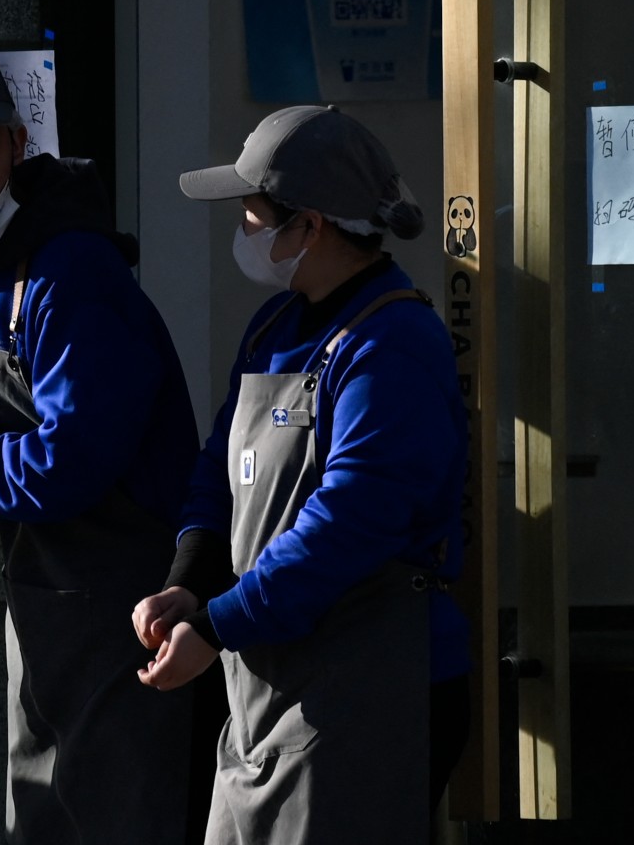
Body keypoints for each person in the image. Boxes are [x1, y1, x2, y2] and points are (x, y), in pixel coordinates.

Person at [0, 41, 203, 844]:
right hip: (50, 603)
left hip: (129, 607)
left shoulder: (70, 272)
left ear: (19, 145)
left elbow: (70, 462)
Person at [132, 105, 471, 844]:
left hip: (370, 682)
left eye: (252, 212)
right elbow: (218, 471)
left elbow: (349, 523)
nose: (243, 228)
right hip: (267, 676)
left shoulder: (394, 342)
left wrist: (218, 623)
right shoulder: (275, 327)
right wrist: (190, 579)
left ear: (309, 225)